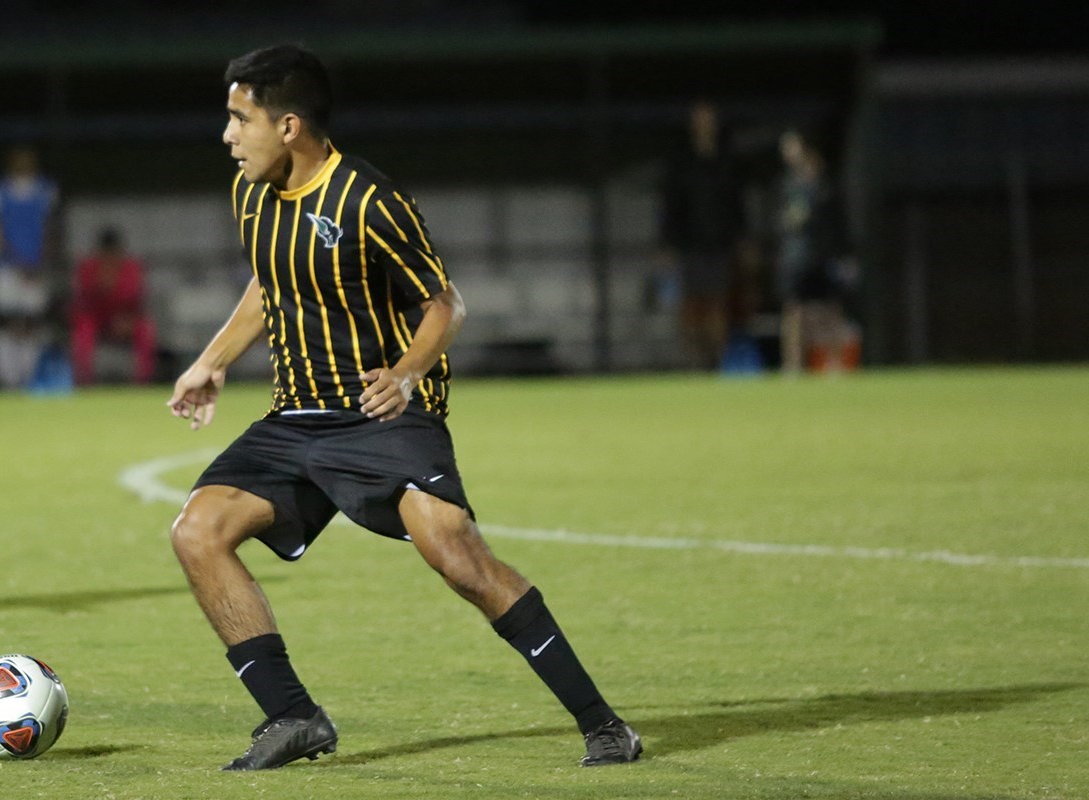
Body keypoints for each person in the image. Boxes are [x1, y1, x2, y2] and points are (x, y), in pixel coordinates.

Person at [165, 44, 642, 771]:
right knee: (197, 531)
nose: (228, 135)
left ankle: (604, 725)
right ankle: (292, 718)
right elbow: (270, 284)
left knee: (456, 556)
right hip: (296, 419)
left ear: (288, 124)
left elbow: (445, 302)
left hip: (380, 415)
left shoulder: (369, 200)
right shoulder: (250, 195)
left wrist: (409, 373)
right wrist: (211, 361)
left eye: (240, 118)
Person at [659, 101, 746, 370]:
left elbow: (736, 204)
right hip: (690, 245)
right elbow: (671, 205)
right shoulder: (681, 161)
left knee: (717, 304)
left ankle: (716, 362)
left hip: (719, 243)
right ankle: (694, 363)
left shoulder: (726, 160)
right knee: (691, 308)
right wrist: (668, 244)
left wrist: (742, 238)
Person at [775, 130, 858, 375]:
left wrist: (845, 256)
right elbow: (780, 222)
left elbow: (839, 224)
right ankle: (792, 364)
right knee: (794, 311)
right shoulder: (787, 187)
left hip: (824, 257)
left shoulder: (827, 187)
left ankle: (836, 362)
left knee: (830, 310)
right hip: (796, 258)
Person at [0, 145, 58, 390]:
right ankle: (6, 378)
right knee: (6, 321)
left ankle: (28, 376)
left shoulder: (46, 190)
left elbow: (51, 229)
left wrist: (40, 262)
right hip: (5, 267)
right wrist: (15, 261)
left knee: (30, 322)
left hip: (35, 268)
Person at [71, 227, 157, 385]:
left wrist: (128, 320)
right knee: (83, 329)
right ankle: (83, 381)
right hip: (97, 318)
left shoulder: (131, 268)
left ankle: (143, 381)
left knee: (145, 330)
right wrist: (101, 284)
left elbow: (138, 301)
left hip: (125, 319)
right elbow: (82, 302)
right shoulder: (88, 268)